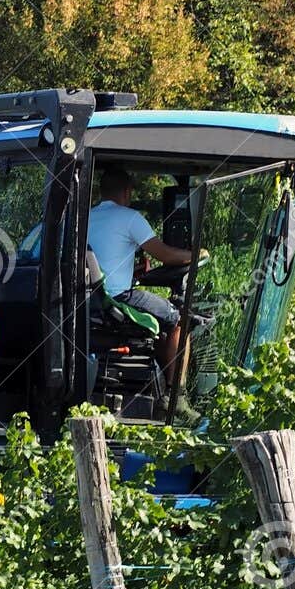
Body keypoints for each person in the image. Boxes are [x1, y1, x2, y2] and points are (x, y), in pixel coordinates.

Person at [87, 165, 196, 408]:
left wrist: (133, 272)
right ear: (127, 192)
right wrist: (194, 255)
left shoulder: (84, 217)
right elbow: (165, 255)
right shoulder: (129, 217)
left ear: (101, 192)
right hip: (118, 298)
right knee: (179, 319)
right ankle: (177, 397)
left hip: (90, 299)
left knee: (160, 316)